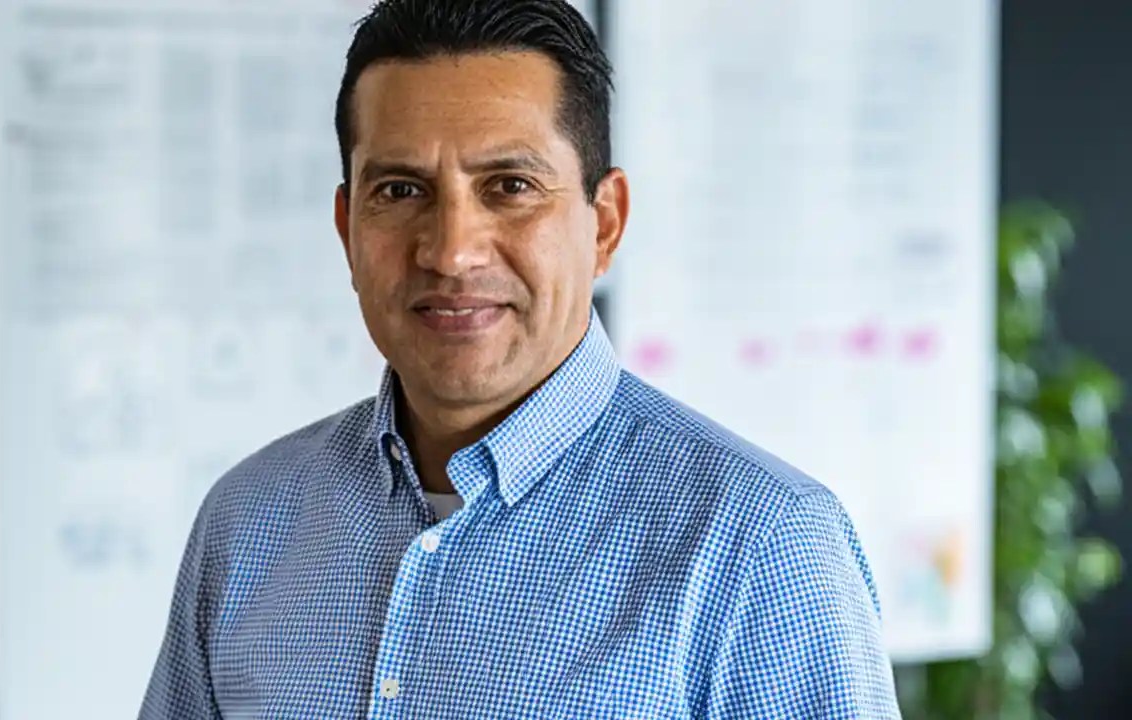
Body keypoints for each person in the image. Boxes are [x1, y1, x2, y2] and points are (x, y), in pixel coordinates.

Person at [140, 0, 900, 717]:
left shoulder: (761, 544)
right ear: (347, 229)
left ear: (604, 224)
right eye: (401, 190)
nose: (451, 252)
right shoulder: (248, 520)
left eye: (510, 186)